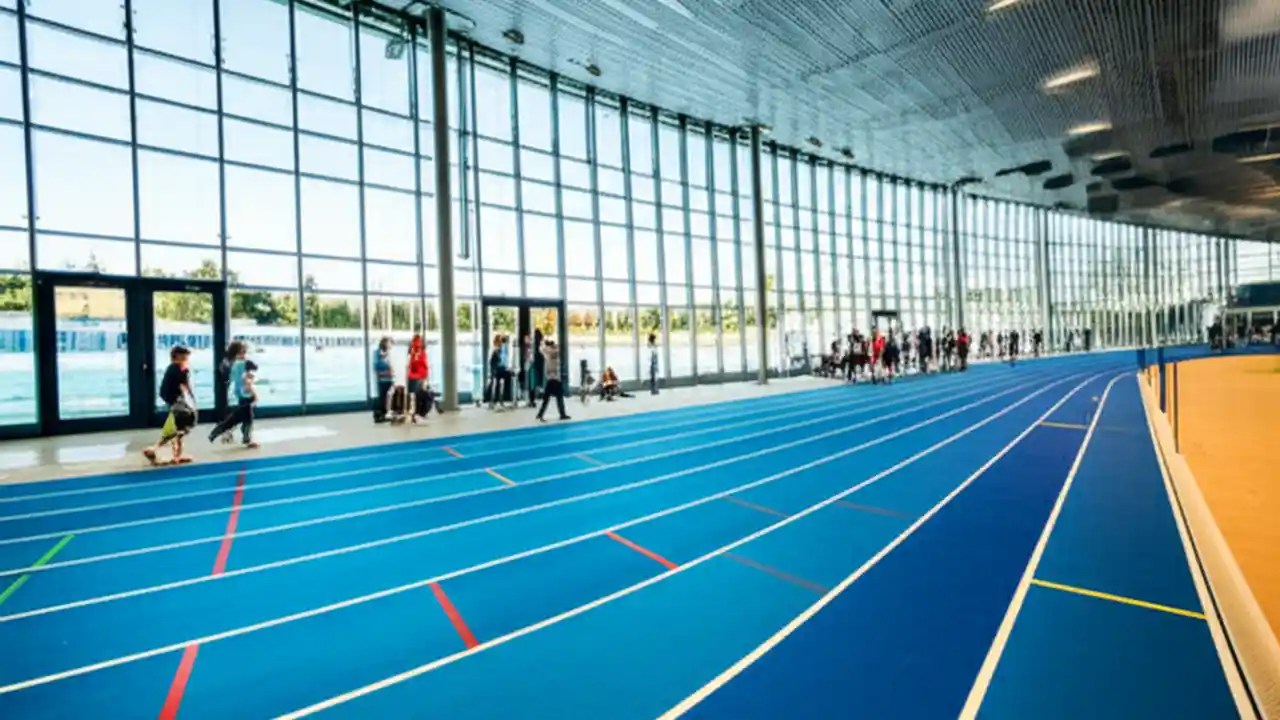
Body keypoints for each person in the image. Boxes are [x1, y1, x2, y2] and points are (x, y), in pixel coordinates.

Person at [144, 345, 196, 465]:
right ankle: (155, 449)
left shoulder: (170, 368)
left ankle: (176, 455)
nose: (187, 360)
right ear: (179, 357)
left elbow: (164, 389)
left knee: (178, 429)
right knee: (177, 429)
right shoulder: (181, 368)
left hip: (171, 401)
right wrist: (191, 400)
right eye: (185, 357)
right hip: (178, 403)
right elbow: (185, 387)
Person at [208, 343, 259, 448]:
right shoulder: (243, 363)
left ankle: (218, 431)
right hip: (245, 394)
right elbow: (253, 370)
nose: (244, 354)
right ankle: (246, 439)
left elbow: (229, 377)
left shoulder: (231, 364)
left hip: (238, 394)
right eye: (242, 352)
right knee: (246, 418)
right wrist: (254, 393)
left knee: (239, 417)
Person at [535, 337, 570, 422]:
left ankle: (540, 414)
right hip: (556, 378)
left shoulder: (547, 353)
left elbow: (541, 349)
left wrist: (543, 343)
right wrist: (550, 344)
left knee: (546, 398)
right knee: (559, 397)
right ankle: (562, 414)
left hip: (549, 378)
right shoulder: (555, 351)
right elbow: (557, 348)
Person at [372, 337, 394, 423]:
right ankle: (380, 414)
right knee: (382, 397)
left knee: (388, 397)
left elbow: (391, 366)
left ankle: (386, 413)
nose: (389, 345)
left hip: (389, 378)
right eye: (388, 343)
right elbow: (376, 366)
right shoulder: (377, 353)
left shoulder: (389, 354)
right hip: (381, 379)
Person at [528, 328, 545, 407]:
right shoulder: (540, 345)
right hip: (539, 365)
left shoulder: (533, 345)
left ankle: (532, 400)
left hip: (533, 366)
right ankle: (539, 395)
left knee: (532, 384)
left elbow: (530, 356)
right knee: (537, 382)